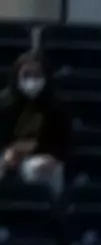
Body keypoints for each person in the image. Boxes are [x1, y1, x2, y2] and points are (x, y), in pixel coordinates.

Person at [0, 51, 68, 198]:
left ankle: (51, 214)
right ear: (17, 77)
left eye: (37, 75)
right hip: (5, 156)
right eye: (27, 75)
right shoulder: (3, 105)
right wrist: (7, 154)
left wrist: (52, 157)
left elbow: (63, 144)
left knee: (46, 170)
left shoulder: (56, 107)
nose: (31, 81)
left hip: (40, 158)